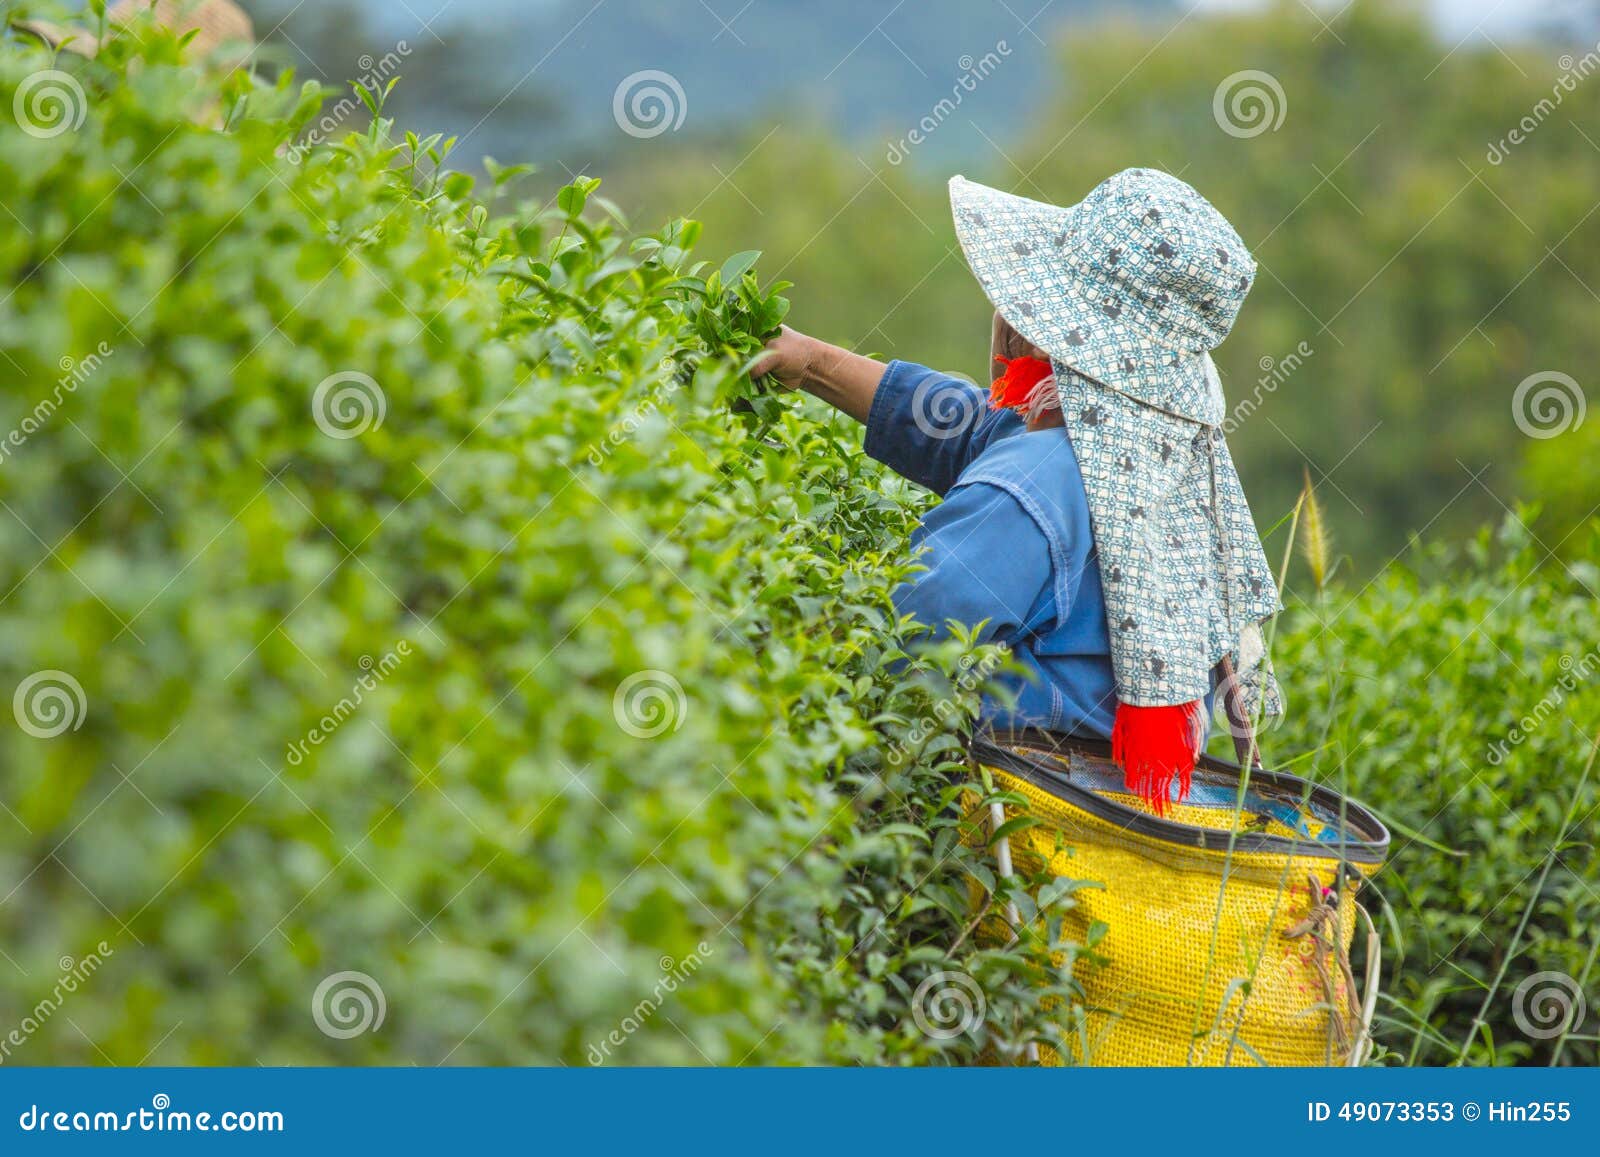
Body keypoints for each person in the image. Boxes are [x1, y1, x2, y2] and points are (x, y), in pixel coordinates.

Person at [754, 168, 1282, 814]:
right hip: (1123, 824)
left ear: (1032, 326)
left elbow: (914, 631)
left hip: (1026, 835)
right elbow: (964, 421)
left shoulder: (1038, 478)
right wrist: (812, 362)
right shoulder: (1155, 449)